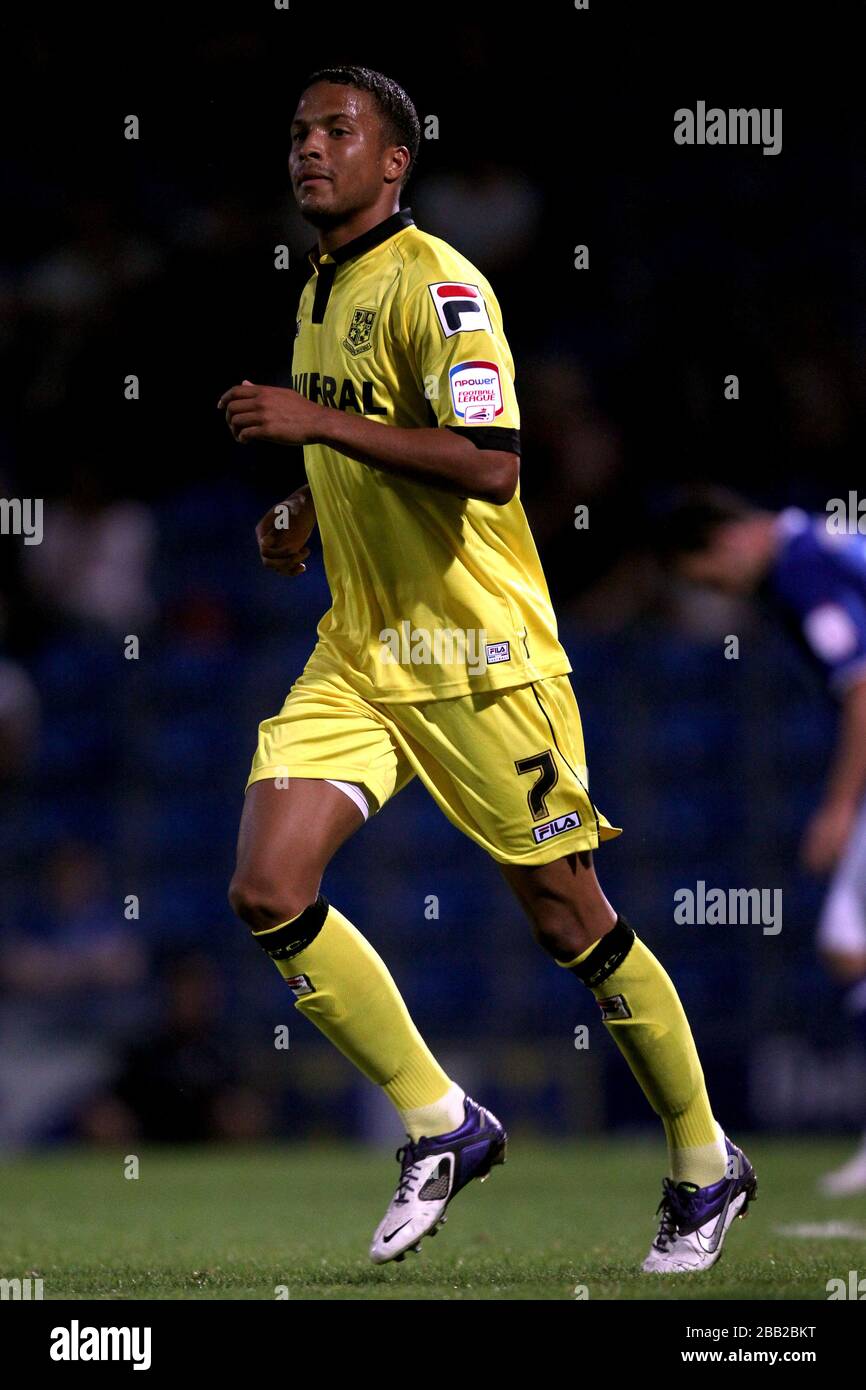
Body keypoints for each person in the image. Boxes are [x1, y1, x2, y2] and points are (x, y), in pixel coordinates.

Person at [218, 66, 756, 1271]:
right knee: (267, 886)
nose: (308, 149)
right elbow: (370, 440)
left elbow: (490, 464)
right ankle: (439, 1120)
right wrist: (308, 505)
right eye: (297, 130)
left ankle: (702, 1157)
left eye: (335, 131)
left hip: (476, 659)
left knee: (569, 916)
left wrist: (315, 432)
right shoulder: (320, 290)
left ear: (393, 161)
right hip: (360, 655)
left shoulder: (443, 284)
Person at [658, 486, 866, 1195]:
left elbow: (865, 686)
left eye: (708, 578)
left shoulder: (804, 566)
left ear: (727, 541)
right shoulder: (822, 541)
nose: (719, 593)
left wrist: (838, 808)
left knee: (848, 940)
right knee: (849, 942)